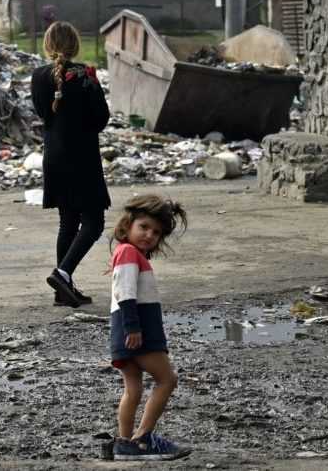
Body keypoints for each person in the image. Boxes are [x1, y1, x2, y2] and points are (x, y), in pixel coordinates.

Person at [30, 12, 112, 308]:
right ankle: (62, 274)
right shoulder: (85, 75)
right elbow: (101, 118)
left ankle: (62, 291)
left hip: (54, 156)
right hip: (83, 158)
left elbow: (44, 114)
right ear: (75, 45)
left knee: (68, 221)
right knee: (94, 221)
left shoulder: (38, 76)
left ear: (48, 45)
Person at [108, 195, 190, 461]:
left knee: (133, 389)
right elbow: (126, 293)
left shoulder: (126, 253)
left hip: (124, 331)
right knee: (167, 380)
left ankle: (124, 444)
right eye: (144, 227)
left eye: (155, 232)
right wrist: (133, 328)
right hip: (136, 330)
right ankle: (143, 438)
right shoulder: (129, 253)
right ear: (128, 224)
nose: (149, 235)